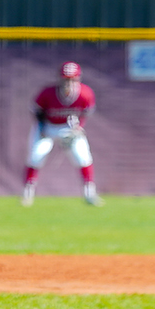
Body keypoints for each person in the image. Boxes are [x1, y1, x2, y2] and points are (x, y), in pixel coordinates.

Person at [21, 61, 101, 207]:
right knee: (36, 156)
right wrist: (42, 129)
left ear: (78, 79)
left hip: (69, 127)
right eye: (66, 79)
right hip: (47, 126)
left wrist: (78, 128)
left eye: (72, 79)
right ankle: (27, 194)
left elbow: (85, 113)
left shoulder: (85, 94)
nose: (68, 82)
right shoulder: (48, 93)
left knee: (83, 157)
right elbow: (37, 111)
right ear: (60, 79)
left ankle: (90, 193)